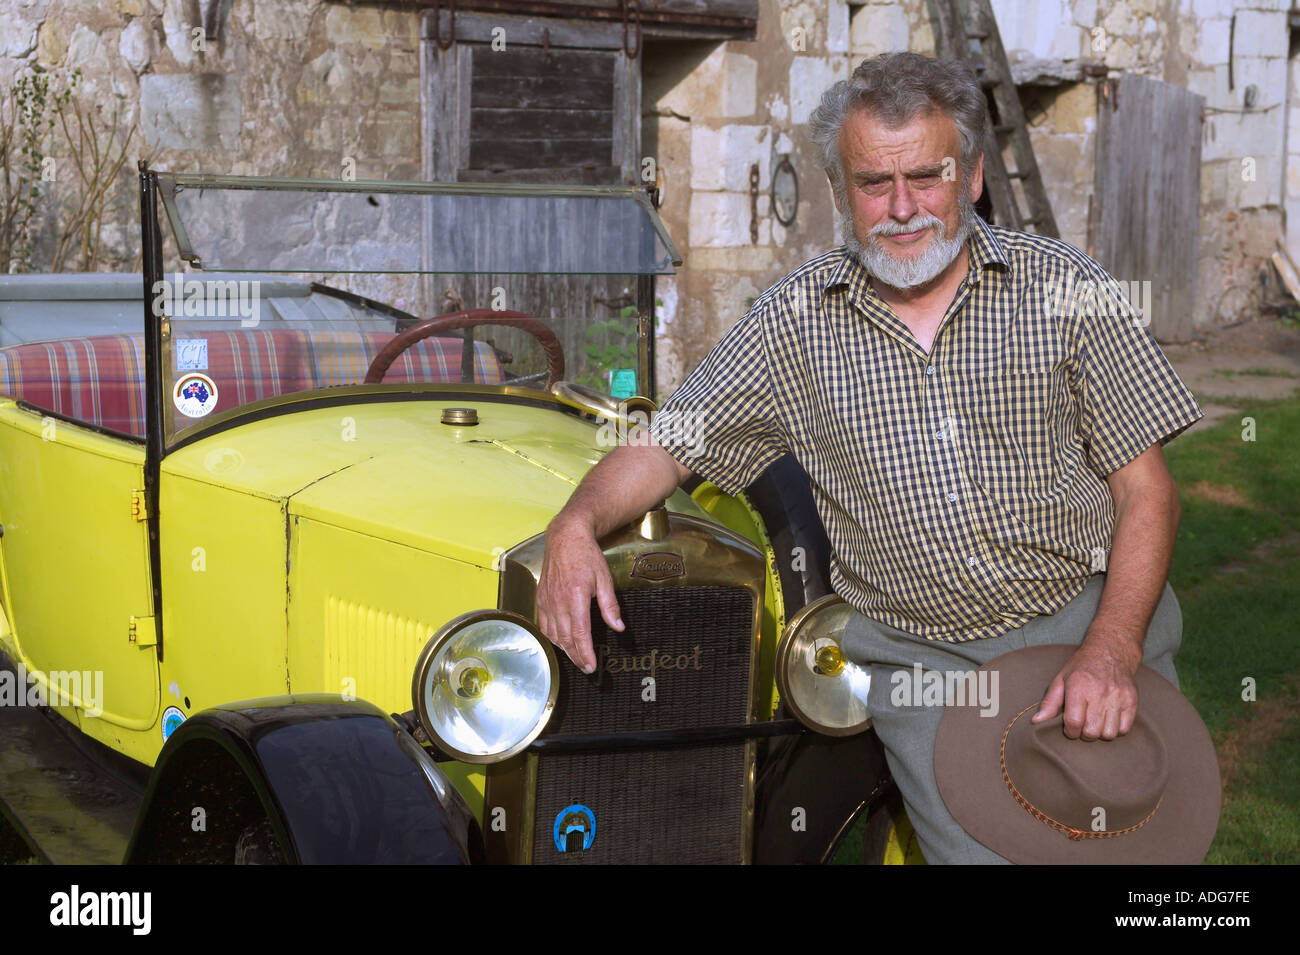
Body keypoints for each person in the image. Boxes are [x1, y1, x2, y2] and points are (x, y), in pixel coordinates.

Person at [534, 51, 1203, 863]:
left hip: (1085, 616)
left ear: (974, 174)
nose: (902, 208)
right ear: (839, 190)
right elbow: (668, 444)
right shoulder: (793, 323)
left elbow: (1149, 494)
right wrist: (573, 525)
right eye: (872, 184)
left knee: (1140, 856)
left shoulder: (1066, 290)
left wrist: (1112, 649)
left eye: (926, 176)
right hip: (929, 658)